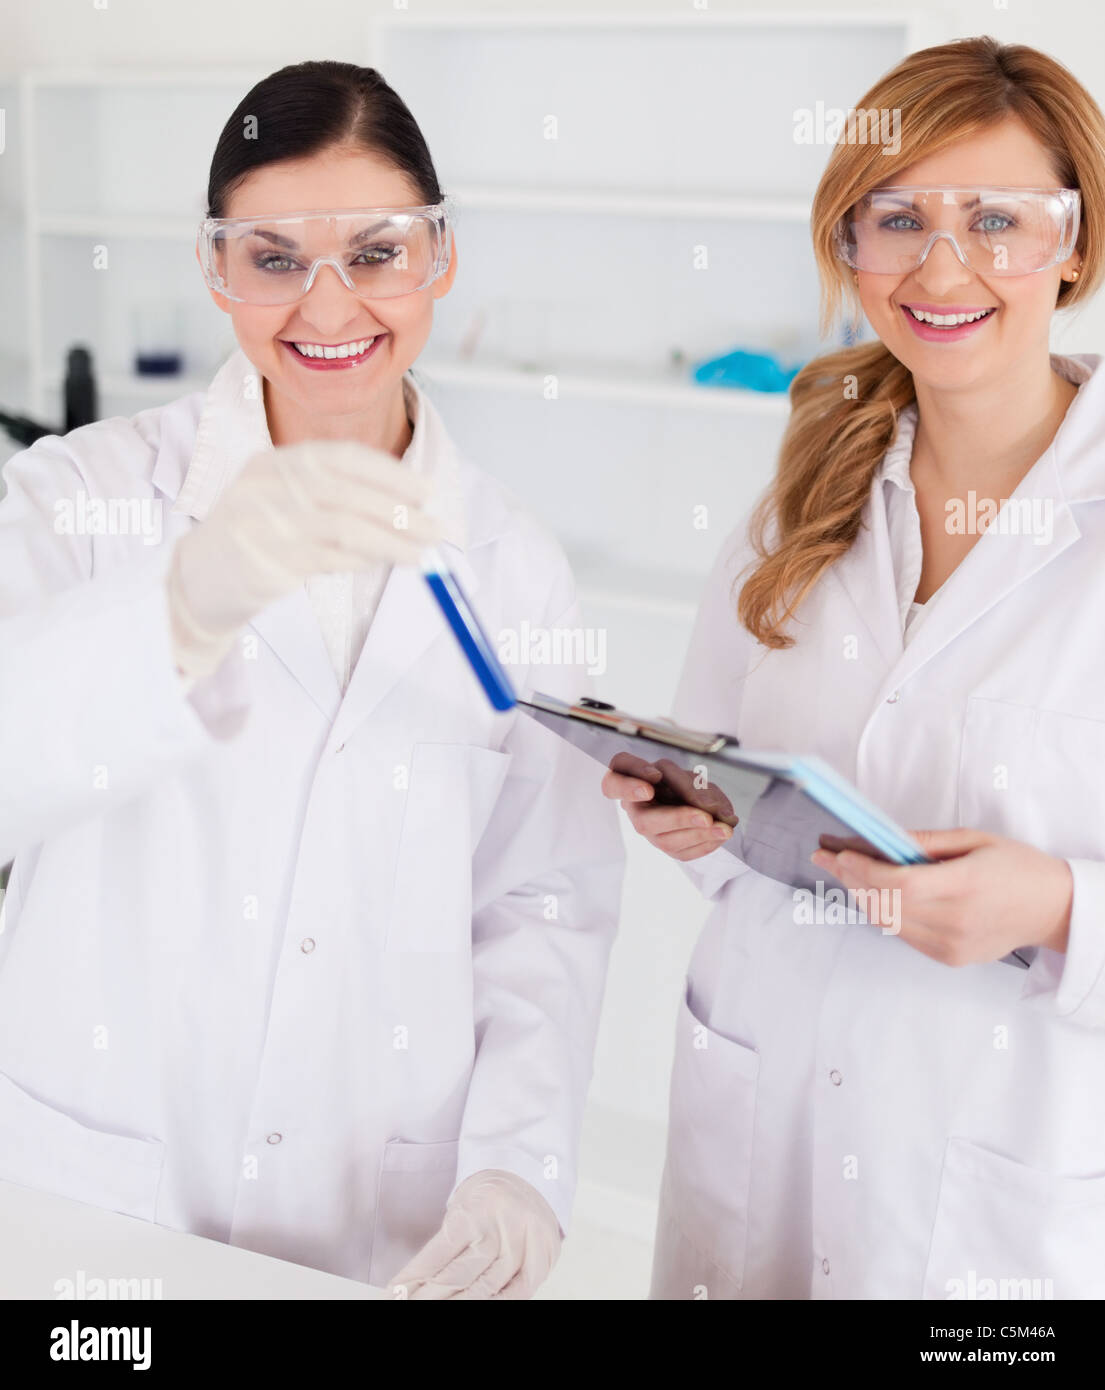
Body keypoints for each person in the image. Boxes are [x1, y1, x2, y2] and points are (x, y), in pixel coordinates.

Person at [0, 60, 624, 1299]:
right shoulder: (79, 499)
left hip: (370, 1219)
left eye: (378, 252)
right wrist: (179, 608)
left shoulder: (513, 571)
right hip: (100, 1199)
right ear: (215, 269)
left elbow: (539, 902)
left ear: (439, 257)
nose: (327, 302)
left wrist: (515, 1164)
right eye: (273, 258)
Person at [604, 36, 1105, 1299]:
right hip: (763, 1128)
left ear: (1078, 247)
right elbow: (729, 765)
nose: (943, 267)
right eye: (898, 220)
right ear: (849, 246)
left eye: (999, 220)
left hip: (995, 1198)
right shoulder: (807, 491)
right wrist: (695, 815)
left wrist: (1056, 908)